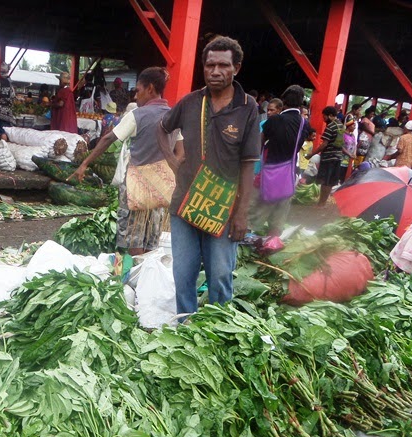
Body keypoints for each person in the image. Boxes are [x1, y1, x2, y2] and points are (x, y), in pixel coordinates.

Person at [159, 36, 260, 311]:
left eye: (223, 65)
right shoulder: (191, 101)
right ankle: (185, 325)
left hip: (223, 205)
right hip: (185, 202)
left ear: (236, 68)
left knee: (219, 276)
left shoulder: (248, 107)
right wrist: (171, 160)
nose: (215, 71)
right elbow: (163, 127)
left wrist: (242, 213)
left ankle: (217, 327)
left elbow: (249, 164)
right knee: (183, 274)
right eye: (210, 65)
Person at [71, 67, 177, 256]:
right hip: (162, 185)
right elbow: (182, 152)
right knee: (152, 232)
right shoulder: (174, 116)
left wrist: (84, 163)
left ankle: (134, 277)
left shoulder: (137, 115)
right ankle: (146, 275)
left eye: (138, 90)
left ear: (150, 89)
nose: (136, 96)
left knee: (133, 232)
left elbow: (107, 139)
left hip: (137, 184)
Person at [249, 85, 311, 237]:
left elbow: (258, 145)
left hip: (269, 174)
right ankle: (272, 242)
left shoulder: (275, 120)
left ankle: (249, 240)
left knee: (255, 214)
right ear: (301, 103)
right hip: (289, 175)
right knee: (279, 218)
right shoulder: (304, 124)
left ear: (284, 102)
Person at [307, 106, 343, 205]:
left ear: (330, 116)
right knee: (331, 181)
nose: (324, 119)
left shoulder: (330, 126)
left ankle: (321, 202)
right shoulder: (341, 125)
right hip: (338, 157)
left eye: (324, 117)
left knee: (325, 181)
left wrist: (311, 154)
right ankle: (324, 202)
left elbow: (324, 144)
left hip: (328, 157)